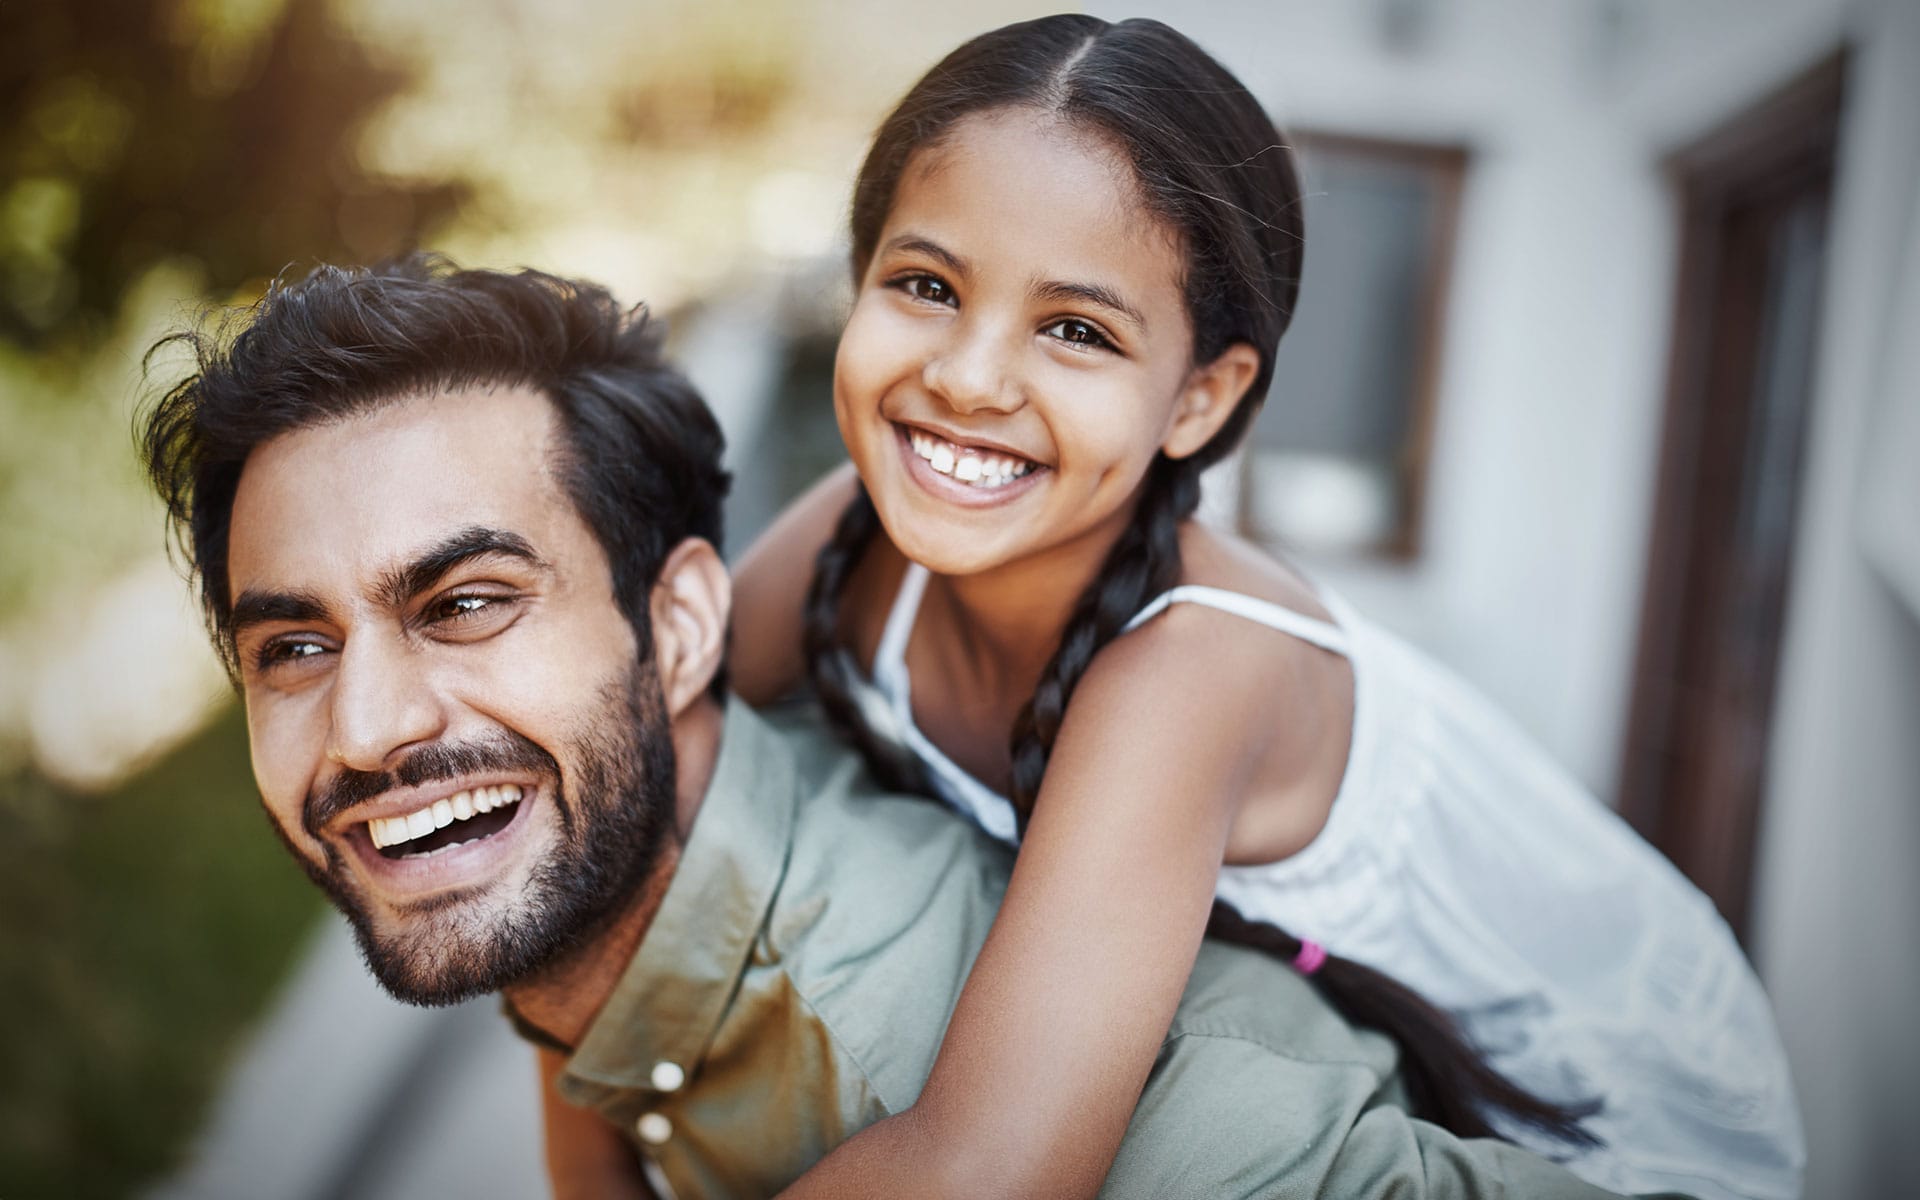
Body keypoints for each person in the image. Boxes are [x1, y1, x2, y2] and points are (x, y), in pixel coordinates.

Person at [138, 254, 1685, 1199]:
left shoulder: (1044, 1100)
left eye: (468, 602)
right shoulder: (631, 873)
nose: (369, 727)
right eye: (293, 645)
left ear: (679, 629)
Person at [726, 14, 1804, 1200]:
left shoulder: (1193, 669)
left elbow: (988, 1169)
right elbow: (641, 758)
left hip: (1616, 1140)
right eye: (926, 285)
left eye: (1076, 330)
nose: (968, 378)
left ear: (1200, 398)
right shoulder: (854, 535)